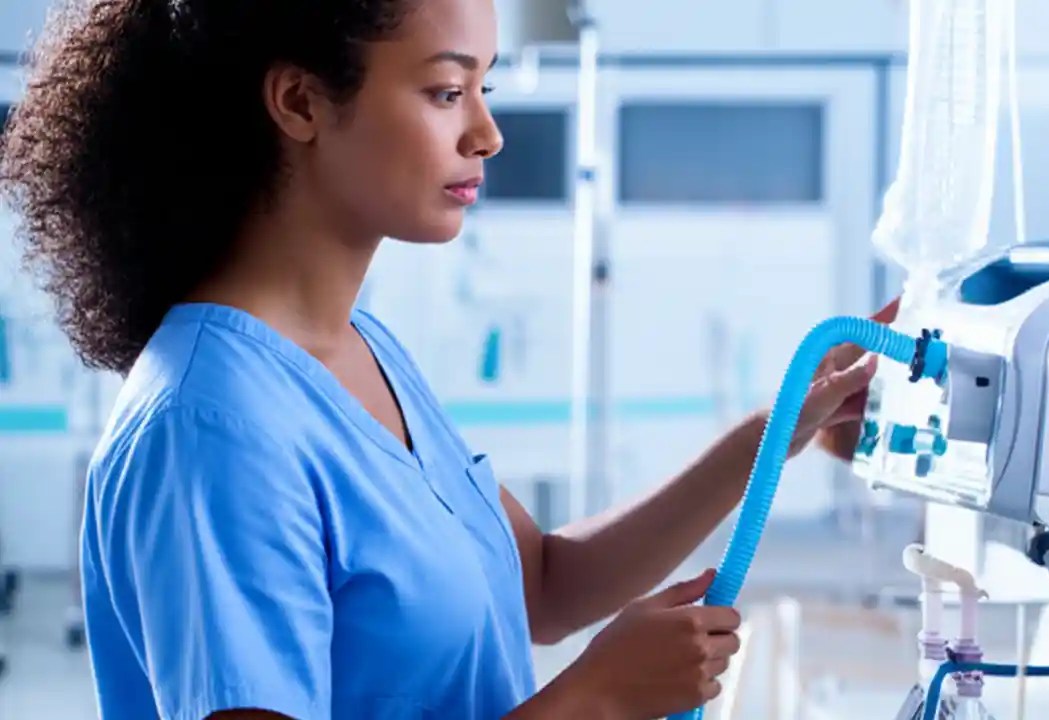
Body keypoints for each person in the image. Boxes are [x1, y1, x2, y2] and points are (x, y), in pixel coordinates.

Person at [0, 1, 896, 718]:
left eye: (485, 88)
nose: (487, 134)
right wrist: (594, 699)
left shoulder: (359, 352)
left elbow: (542, 581)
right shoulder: (213, 427)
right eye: (444, 92)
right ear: (301, 103)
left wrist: (784, 424)